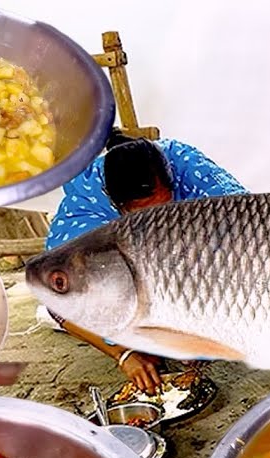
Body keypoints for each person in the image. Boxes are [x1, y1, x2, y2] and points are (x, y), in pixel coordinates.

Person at [40, 132, 246, 393]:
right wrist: (124, 353)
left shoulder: (192, 172)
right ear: (118, 207)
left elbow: (251, 233)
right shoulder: (85, 213)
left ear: (172, 186)